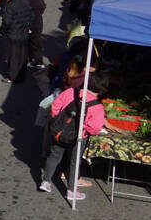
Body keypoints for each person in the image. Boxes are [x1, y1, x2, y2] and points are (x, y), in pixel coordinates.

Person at [41, 74, 106, 202]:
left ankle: (46, 182)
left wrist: (60, 122)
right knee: (74, 162)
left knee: (54, 155)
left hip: (60, 131)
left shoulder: (70, 92)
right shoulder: (97, 106)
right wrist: (85, 129)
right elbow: (95, 128)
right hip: (79, 137)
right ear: (102, 90)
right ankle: (71, 190)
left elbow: (55, 106)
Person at [0, 0, 38, 83]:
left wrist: (2, 31)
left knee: (13, 57)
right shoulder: (26, 3)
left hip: (13, 34)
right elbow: (32, 17)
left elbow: (7, 21)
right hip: (24, 33)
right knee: (22, 56)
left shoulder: (10, 6)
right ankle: (21, 76)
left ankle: (12, 76)